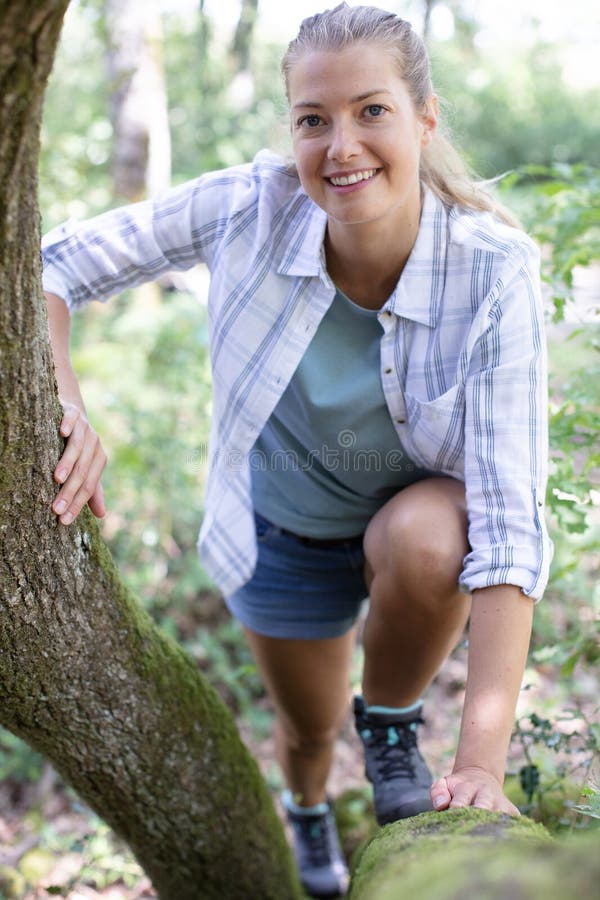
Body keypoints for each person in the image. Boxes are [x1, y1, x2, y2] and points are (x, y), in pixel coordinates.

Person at [41, 4, 552, 897]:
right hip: (282, 530)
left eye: (372, 110)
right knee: (309, 730)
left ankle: (390, 724)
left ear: (424, 117)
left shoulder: (492, 271)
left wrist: (481, 762)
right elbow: (50, 263)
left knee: (437, 533)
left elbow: (508, 526)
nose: (341, 145)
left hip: (412, 530)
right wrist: (65, 401)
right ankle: (311, 806)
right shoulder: (249, 206)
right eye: (314, 119)